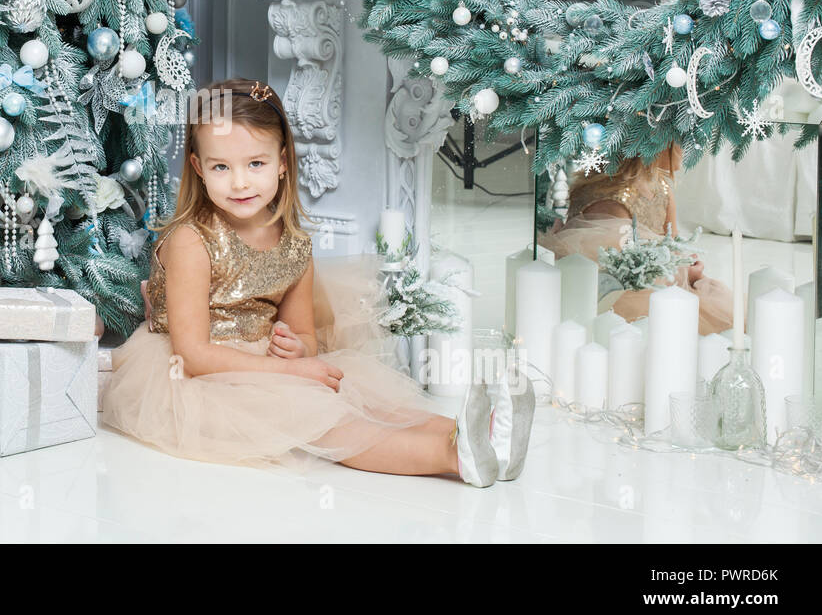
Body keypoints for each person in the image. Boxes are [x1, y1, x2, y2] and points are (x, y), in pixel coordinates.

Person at [101, 78, 535, 487]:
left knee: (364, 398)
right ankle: (454, 457)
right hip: (198, 375)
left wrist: (300, 348)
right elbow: (193, 355)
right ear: (198, 168)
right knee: (333, 424)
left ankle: (489, 434)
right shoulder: (191, 242)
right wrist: (292, 368)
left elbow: (305, 333)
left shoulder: (294, 247)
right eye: (220, 166)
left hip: (263, 361)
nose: (239, 182)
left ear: (283, 163)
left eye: (256, 163)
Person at [541, 143, 733, 333]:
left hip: (657, 283)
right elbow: (616, 280)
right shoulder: (612, 200)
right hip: (621, 305)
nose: (687, 149)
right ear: (658, 140)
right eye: (681, 141)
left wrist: (685, 267)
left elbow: (673, 247)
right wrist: (683, 274)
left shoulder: (661, 189)